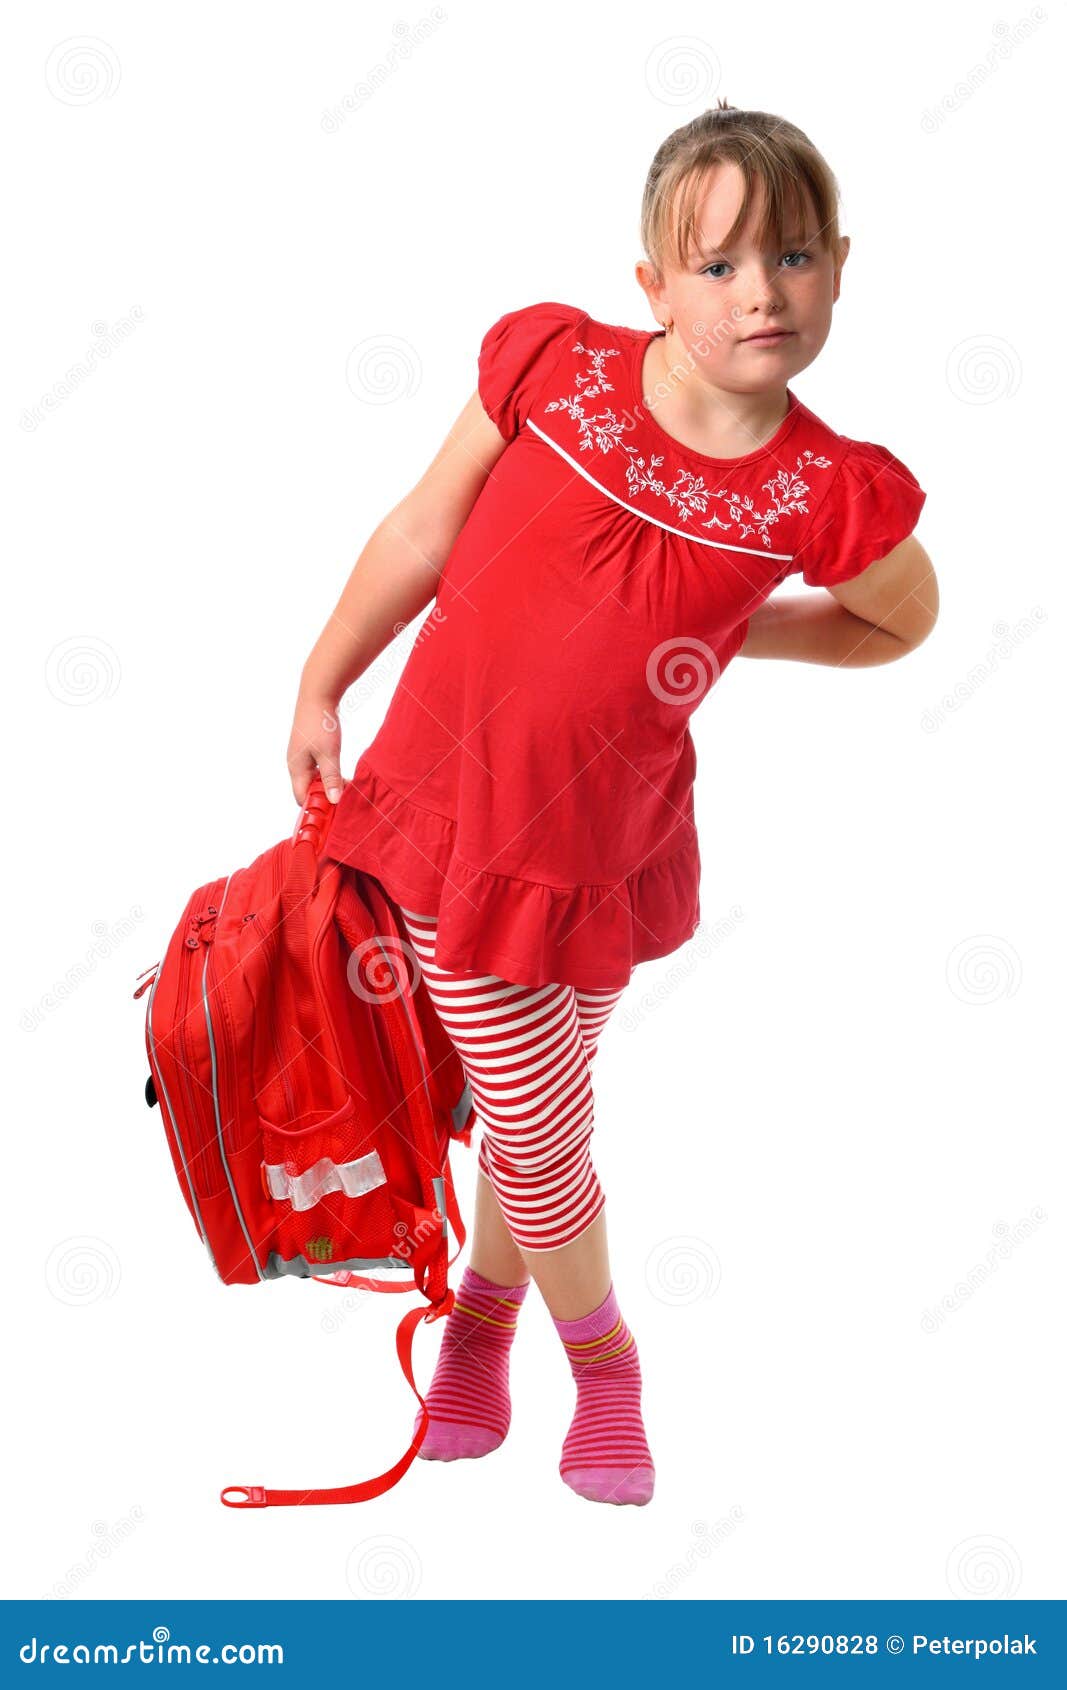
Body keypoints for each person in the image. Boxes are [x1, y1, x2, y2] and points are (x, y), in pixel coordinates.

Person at [287, 101, 939, 1507]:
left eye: (796, 254)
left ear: (841, 266)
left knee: (537, 1123)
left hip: (594, 842)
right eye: (716, 266)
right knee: (542, 1126)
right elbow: (421, 527)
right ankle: (604, 1359)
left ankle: (482, 1318)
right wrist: (322, 680)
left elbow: (901, 622)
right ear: (651, 284)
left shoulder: (822, 486)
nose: (761, 290)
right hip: (440, 807)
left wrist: (737, 623)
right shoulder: (554, 364)